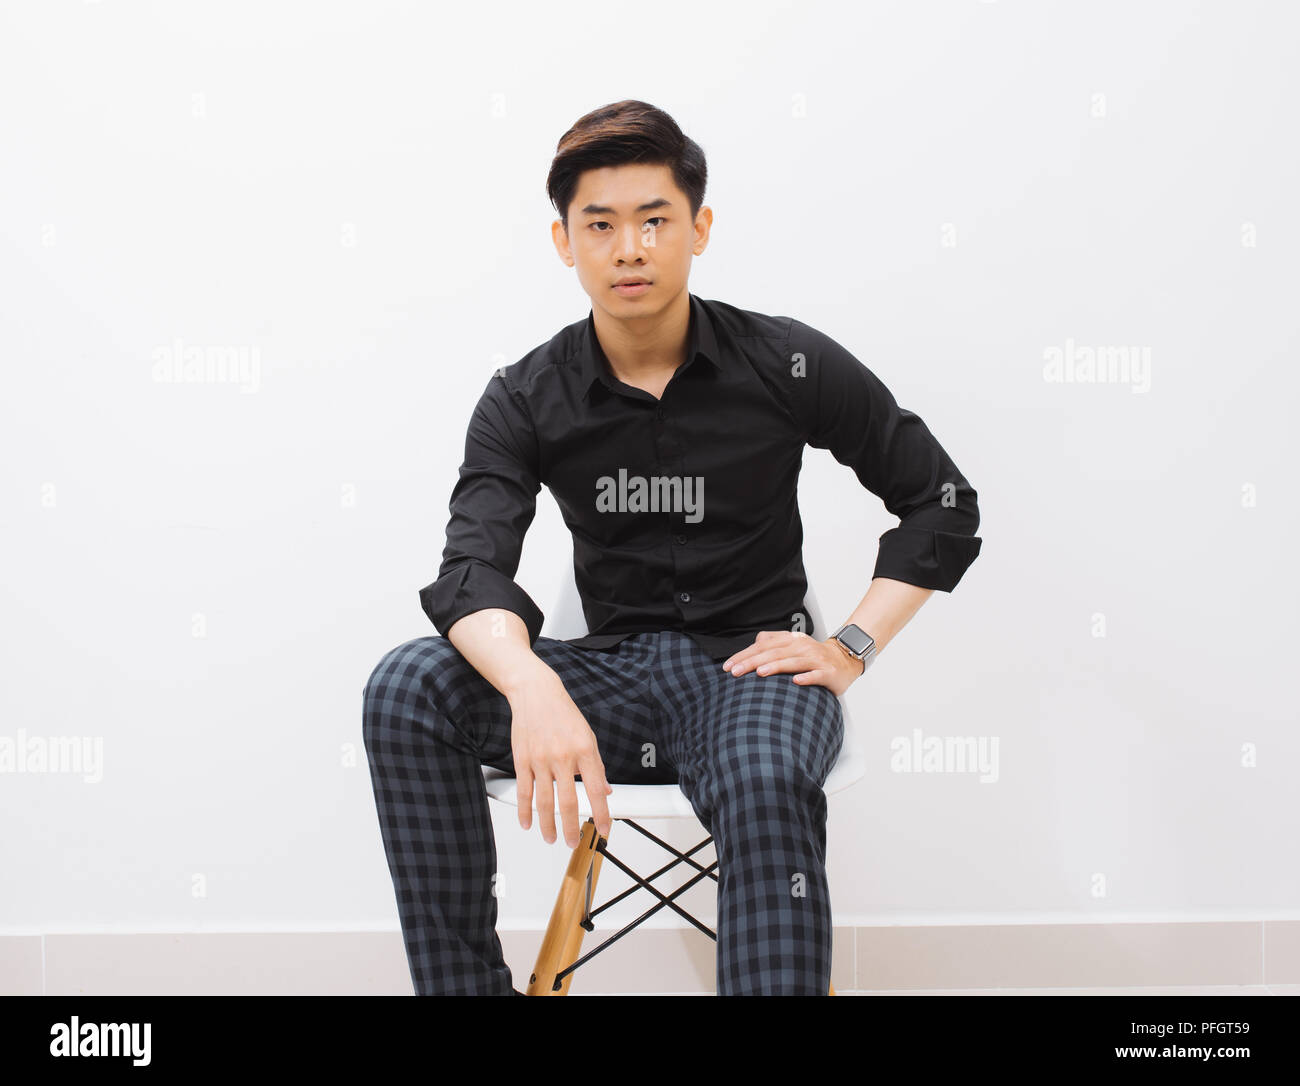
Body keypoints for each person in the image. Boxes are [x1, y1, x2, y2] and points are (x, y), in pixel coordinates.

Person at [361, 99, 982, 996]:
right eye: (600, 225)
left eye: (655, 220)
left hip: (750, 674)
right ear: (563, 242)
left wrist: (847, 649)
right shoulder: (525, 395)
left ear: (700, 229)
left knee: (766, 781)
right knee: (405, 684)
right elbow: (471, 567)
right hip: (604, 679)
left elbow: (941, 503)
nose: (630, 248)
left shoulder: (785, 362)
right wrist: (530, 681)